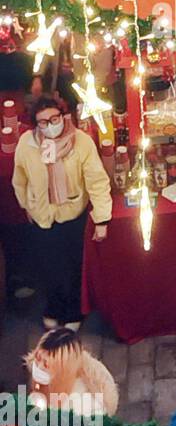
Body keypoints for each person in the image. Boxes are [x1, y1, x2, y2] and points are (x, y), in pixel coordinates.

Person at [11, 96, 111, 330]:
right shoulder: (27, 143)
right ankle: (53, 307)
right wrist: (27, 204)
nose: (49, 125)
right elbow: (20, 179)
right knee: (47, 266)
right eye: (42, 122)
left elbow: (96, 181)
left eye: (53, 119)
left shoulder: (81, 142)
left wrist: (101, 218)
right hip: (42, 216)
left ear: (62, 116)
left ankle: (74, 312)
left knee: (72, 267)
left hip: (72, 215)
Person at [23, 327, 118, 416]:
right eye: (38, 358)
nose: (39, 367)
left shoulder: (84, 408)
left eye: (46, 364)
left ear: (62, 369)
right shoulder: (48, 379)